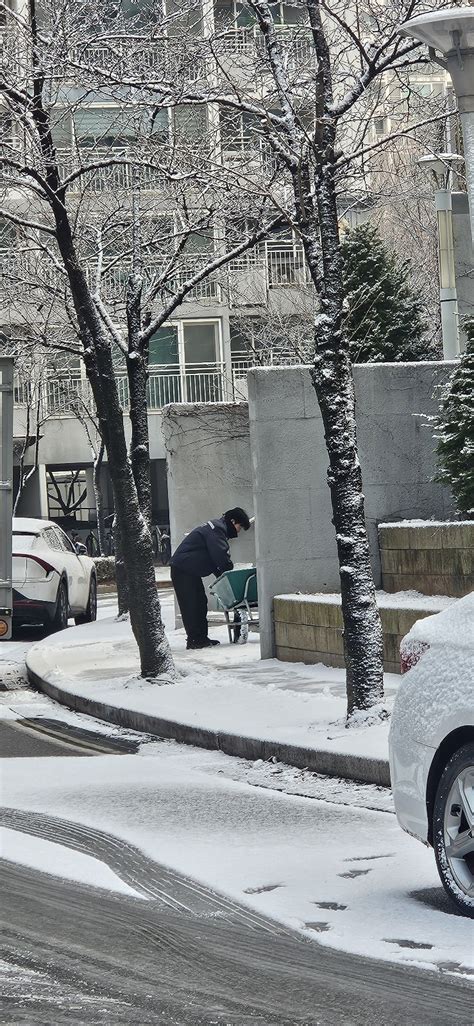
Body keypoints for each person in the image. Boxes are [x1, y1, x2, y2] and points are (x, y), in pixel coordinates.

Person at [170, 507, 251, 650]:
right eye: (239, 527)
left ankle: (201, 638)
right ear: (233, 521)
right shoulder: (217, 530)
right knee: (191, 605)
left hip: (188, 570)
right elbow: (220, 557)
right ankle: (195, 640)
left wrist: (223, 576)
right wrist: (229, 573)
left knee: (200, 602)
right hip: (182, 569)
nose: (238, 531)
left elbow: (215, 561)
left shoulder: (216, 528)